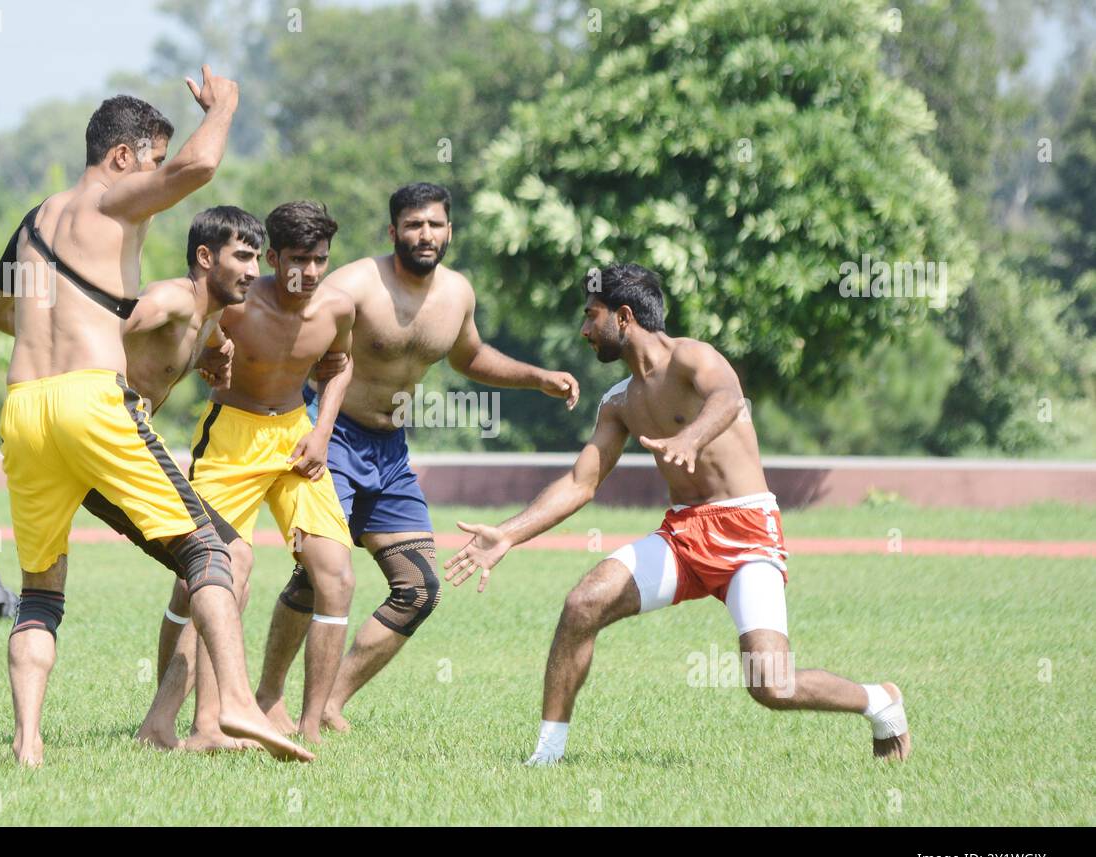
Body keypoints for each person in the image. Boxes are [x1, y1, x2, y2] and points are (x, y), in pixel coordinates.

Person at [444, 262, 912, 765]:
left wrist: (691, 437)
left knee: (771, 686)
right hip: (683, 536)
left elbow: (729, 398)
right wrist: (509, 535)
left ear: (624, 317)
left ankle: (880, 701)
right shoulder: (618, 401)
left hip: (747, 531)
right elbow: (582, 482)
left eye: (590, 316)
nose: (583, 330)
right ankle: (547, 755)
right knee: (583, 604)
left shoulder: (693, 357)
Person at [0, 71, 311, 764]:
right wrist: (225, 106)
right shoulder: (114, 200)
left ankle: (28, 743)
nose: (158, 176)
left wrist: (57, 324)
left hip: (22, 408)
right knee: (212, 550)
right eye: (151, 160)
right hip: (89, 401)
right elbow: (202, 164)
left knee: (40, 590)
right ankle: (238, 704)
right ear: (123, 157)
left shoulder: (37, 216)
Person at [248, 182, 581, 733]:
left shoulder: (457, 294)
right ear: (393, 231)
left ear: (450, 231)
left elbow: (469, 355)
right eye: (413, 225)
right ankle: (268, 698)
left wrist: (536, 378)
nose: (424, 234)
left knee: (419, 589)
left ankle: (331, 702)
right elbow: (300, 342)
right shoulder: (353, 284)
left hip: (391, 451)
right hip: (330, 436)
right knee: (318, 577)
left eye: (434, 224)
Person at [138, 200, 357, 746]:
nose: (308, 272)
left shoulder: (337, 309)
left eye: (320, 259)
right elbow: (192, 335)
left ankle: (308, 726)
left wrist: (322, 429)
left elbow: (341, 364)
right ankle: (178, 719)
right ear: (273, 257)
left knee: (335, 574)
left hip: (296, 438)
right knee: (201, 578)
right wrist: (210, 356)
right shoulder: (237, 303)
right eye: (296, 260)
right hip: (231, 436)